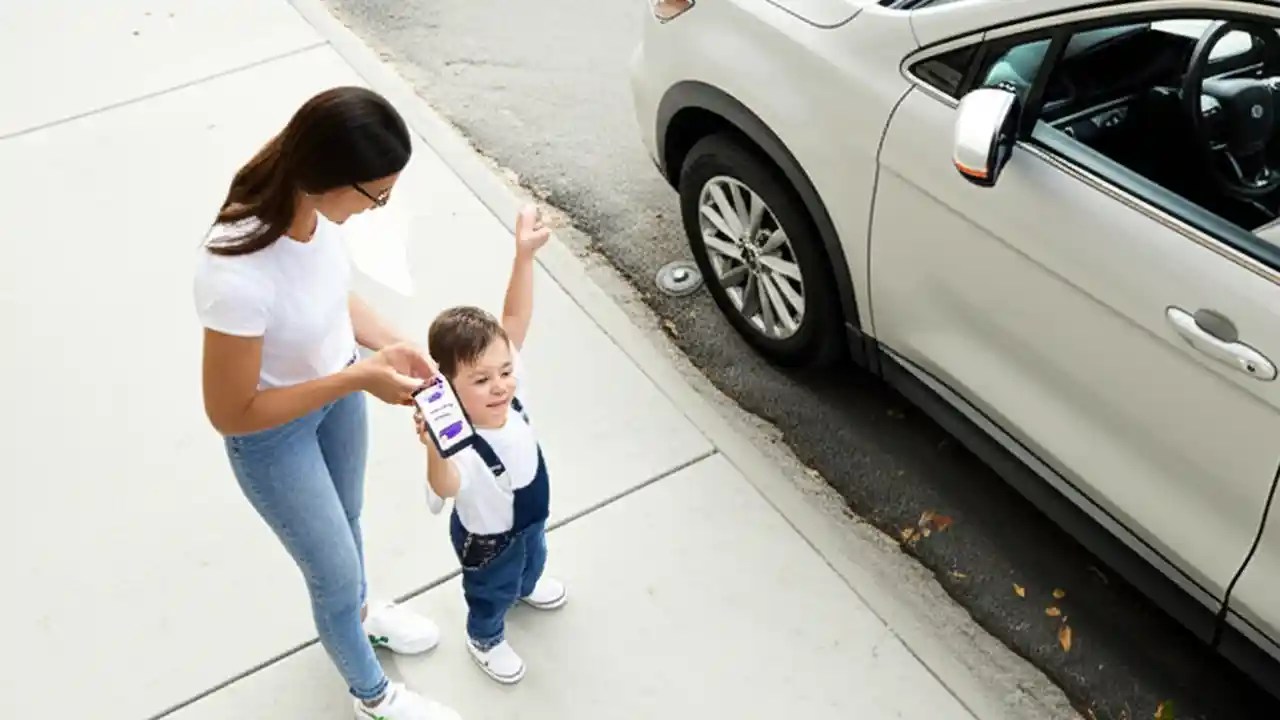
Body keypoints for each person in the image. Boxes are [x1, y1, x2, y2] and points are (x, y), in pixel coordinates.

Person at [193, 86, 460, 720]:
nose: (378, 207)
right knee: (332, 571)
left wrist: (398, 345)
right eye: (376, 195)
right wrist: (356, 379)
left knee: (349, 515)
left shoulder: (311, 214)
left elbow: (332, 295)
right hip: (272, 434)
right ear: (327, 176)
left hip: (341, 387)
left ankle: (364, 614)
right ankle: (373, 694)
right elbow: (230, 413)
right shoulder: (234, 274)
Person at [415, 205, 566, 685]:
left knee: (533, 559)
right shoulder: (458, 443)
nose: (501, 385)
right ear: (449, 386)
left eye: (504, 372)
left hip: (529, 521)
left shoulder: (509, 390)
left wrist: (524, 257)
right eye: (480, 380)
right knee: (491, 590)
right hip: (490, 541)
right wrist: (432, 448)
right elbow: (446, 488)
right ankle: (485, 636)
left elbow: (514, 316)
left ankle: (527, 586)